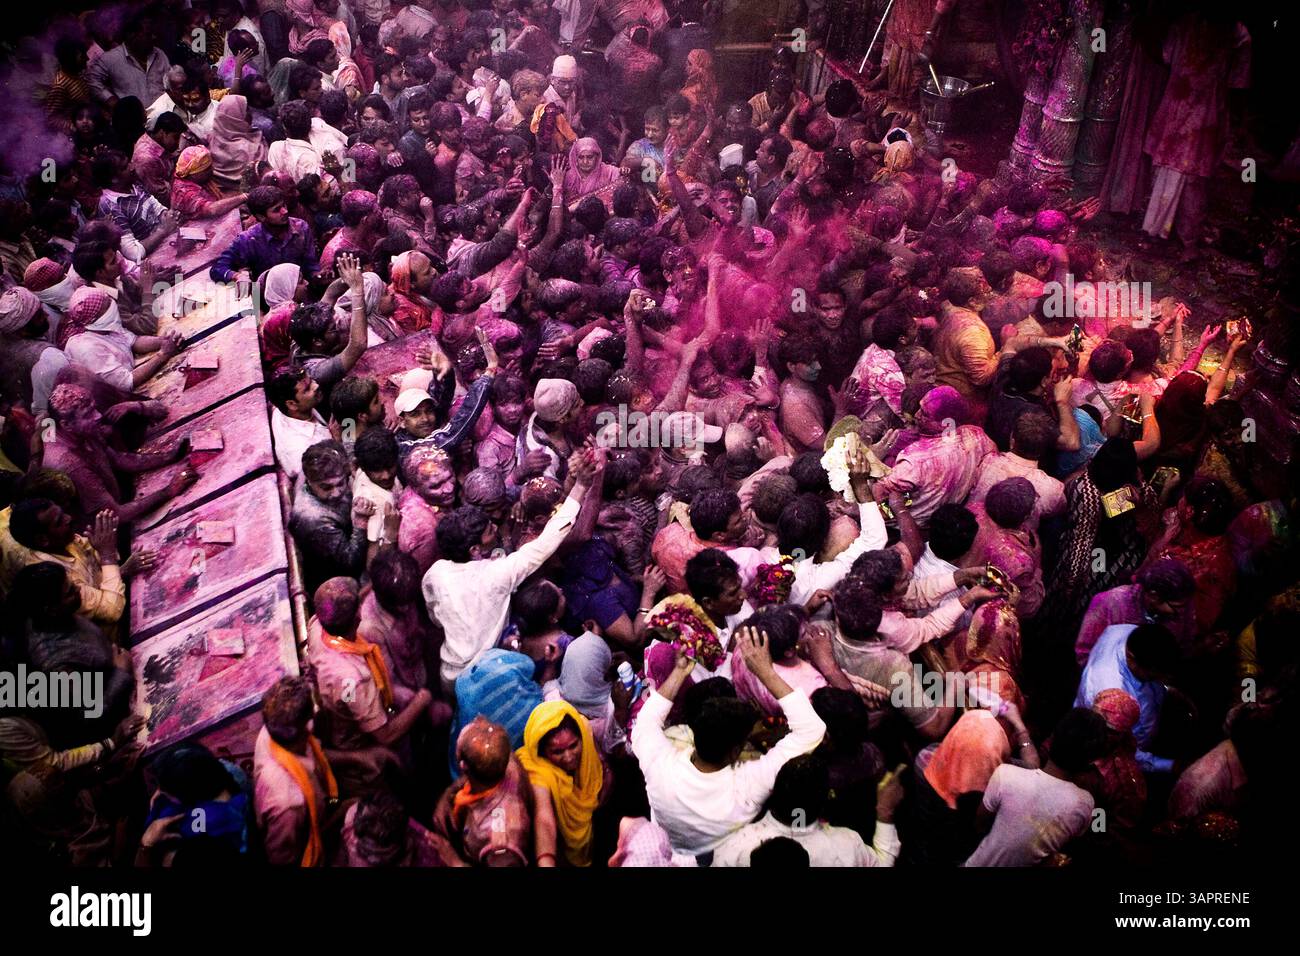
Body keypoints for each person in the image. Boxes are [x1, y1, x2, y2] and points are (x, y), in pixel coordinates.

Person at [631, 627, 828, 859]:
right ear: (736, 751)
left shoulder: (658, 764)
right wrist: (766, 672)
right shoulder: (747, 787)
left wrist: (678, 672)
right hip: (719, 855)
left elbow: (646, 721)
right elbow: (812, 729)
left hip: (673, 845)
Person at [964, 708, 1106, 866]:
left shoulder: (1006, 775)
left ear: (1051, 739)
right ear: (1090, 762)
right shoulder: (1084, 804)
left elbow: (979, 824)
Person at [515, 700, 607, 867]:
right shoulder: (538, 773)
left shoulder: (585, 730)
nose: (569, 756)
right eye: (557, 751)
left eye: (573, 746)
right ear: (541, 751)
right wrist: (546, 860)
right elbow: (544, 819)